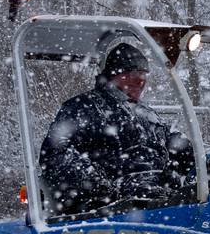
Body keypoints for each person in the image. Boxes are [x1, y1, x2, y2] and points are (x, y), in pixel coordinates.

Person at [38, 43, 195, 217]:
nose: (140, 80)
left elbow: (174, 147)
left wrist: (203, 160)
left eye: (143, 74)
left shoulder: (146, 114)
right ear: (114, 75)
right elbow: (55, 155)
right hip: (109, 211)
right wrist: (102, 187)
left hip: (158, 203)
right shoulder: (83, 108)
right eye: (133, 73)